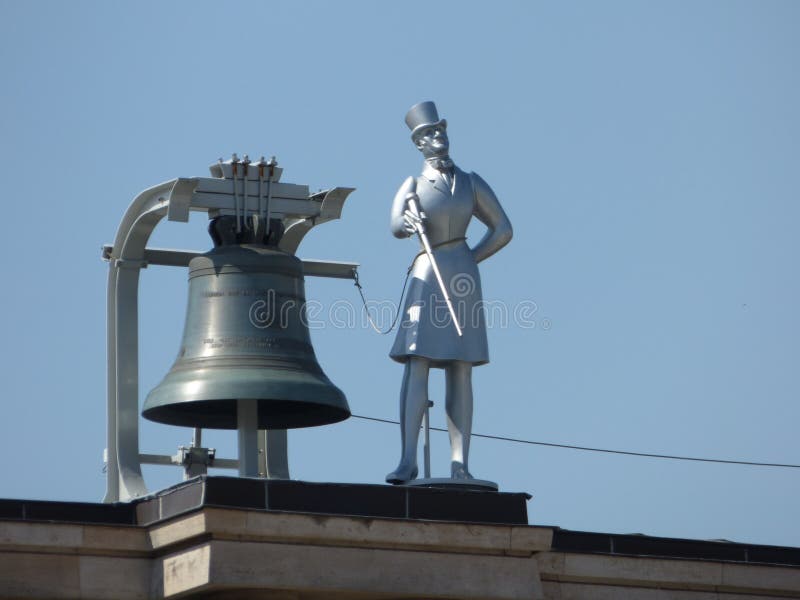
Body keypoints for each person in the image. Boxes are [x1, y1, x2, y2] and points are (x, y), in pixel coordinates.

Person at [386, 101, 513, 484]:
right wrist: (407, 222)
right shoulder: (411, 185)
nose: (436, 138)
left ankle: (460, 463)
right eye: (427, 135)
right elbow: (394, 225)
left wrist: (469, 259)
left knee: (461, 367)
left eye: (439, 130)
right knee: (418, 361)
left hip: (462, 277)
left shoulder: (472, 182)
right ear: (418, 145)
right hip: (427, 273)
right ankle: (408, 459)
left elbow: (503, 229)